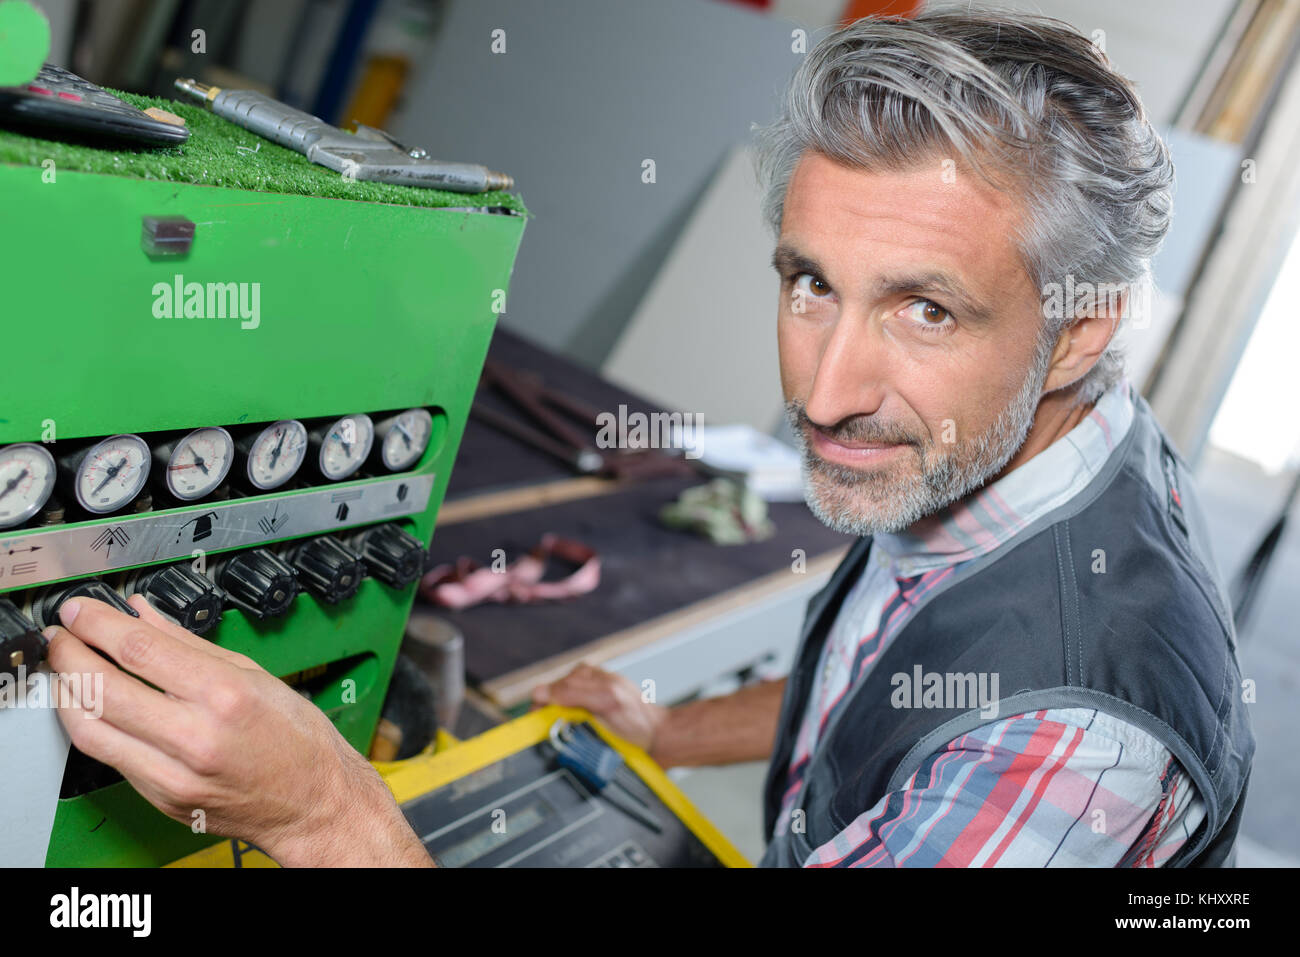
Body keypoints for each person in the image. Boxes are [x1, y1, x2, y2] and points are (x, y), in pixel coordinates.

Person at [46, 7, 1253, 867]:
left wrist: (324, 820)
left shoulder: (1063, 746)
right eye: (810, 282)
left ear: (1081, 334)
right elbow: (906, 668)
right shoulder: (1036, 460)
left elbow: (1000, 705)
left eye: (925, 309)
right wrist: (669, 730)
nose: (823, 393)